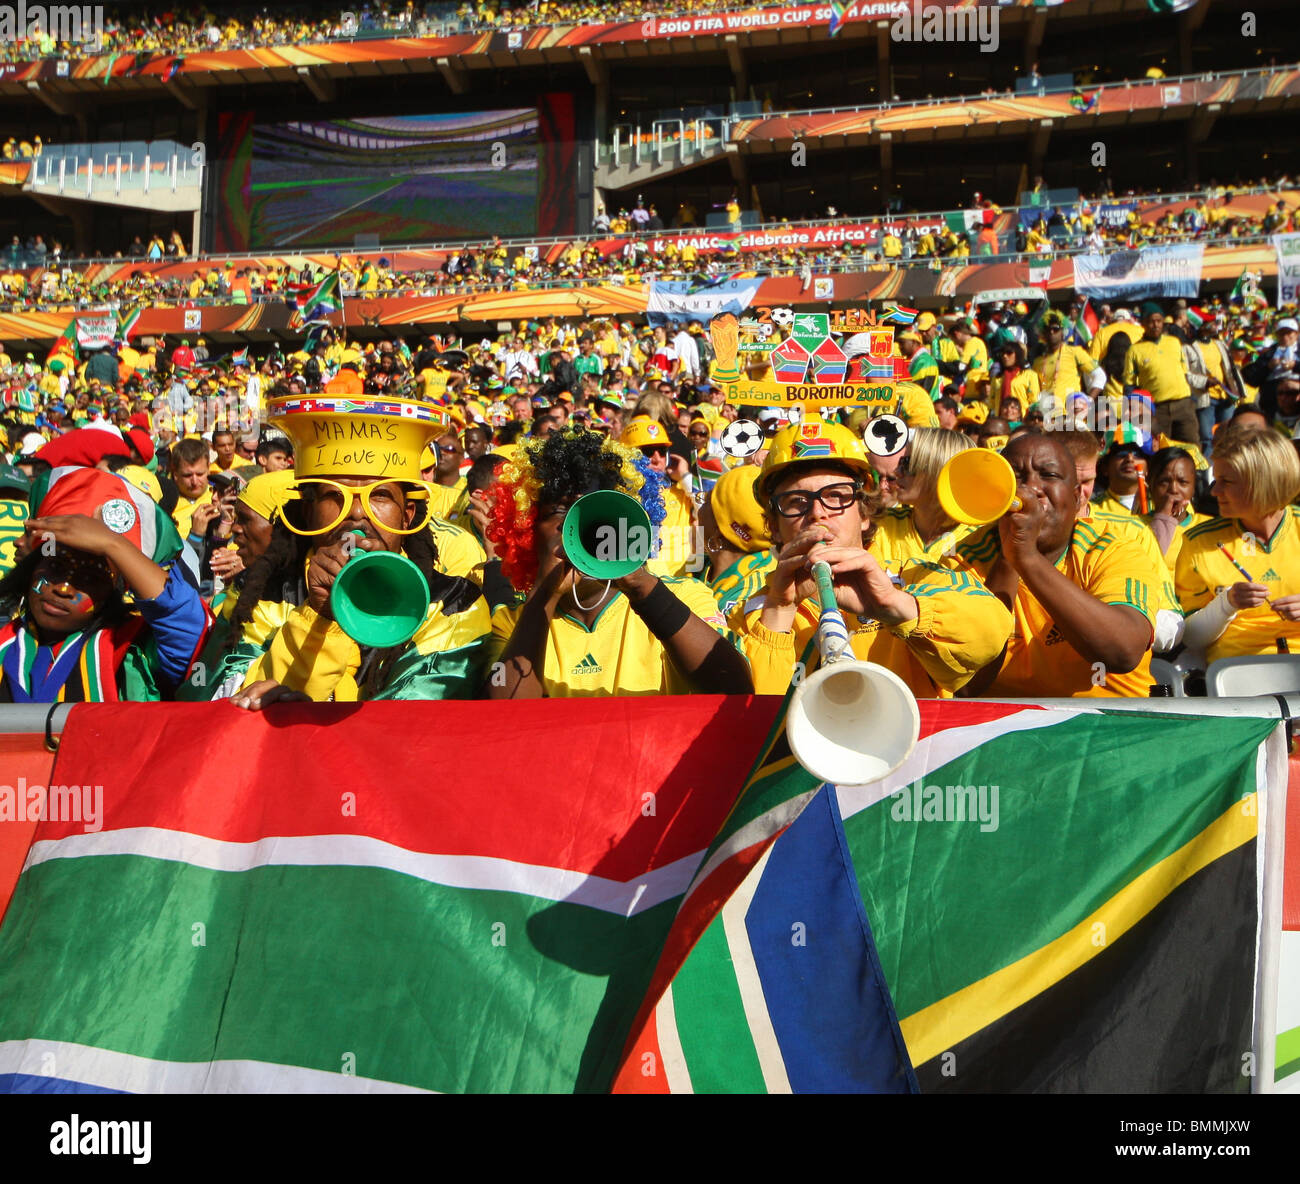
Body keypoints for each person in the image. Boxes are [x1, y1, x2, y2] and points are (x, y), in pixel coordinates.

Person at [229, 395, 492, 707]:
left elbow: (411, 727)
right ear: (309, 510)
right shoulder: (258, 595)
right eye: (334, 495)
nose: (356, 513)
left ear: (407, 513)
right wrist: (318, 618)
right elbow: (217, 701)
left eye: (379, 495)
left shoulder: (453, 606)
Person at [729, 418, 1012, 698]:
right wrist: (780, 610)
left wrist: (894, 603)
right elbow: (755, 722)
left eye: (836, 496)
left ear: (864, 513)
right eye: (796, 502)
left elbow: (992, 636)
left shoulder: (915, 576)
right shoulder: (748, 611)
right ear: (775, 527)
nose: (817, 513)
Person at [483, 428, 751, 698]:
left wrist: (639, 585)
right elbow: (502, 716)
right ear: (527, 529)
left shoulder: (685, 596)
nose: (574, 524)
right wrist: (544, 596)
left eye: (594, 508)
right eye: (560, 510)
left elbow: (735, 686)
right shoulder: (511, 620)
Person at [957, 434, 1161, 698]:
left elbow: (1123, 652)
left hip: (1113, 725)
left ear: (1077, 498)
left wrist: (1027, 558)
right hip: (1006, 730)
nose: (1031, 489)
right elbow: (966, 685)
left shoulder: (1112, 549)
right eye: (1016, 477)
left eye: (1049, 475)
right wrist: (1010, 559)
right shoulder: (965, 558)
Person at [0, 467, 208, 702]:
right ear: (32, 568)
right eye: (56, 567)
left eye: (90, 579)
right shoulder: (4, 643)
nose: (63, 589)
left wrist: (113, 544)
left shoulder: (131, 649)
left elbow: (188, 631)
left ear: (112, 592)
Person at [1175, 427, 1300, 664]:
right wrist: (1227, 603)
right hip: (1237, 673)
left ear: (1263, 483)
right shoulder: (1199, 542)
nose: (1214, 491)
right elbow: (1191, 637)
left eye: (1226, 481)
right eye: (1215, 480)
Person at [870, 428, 978, 575]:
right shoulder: (879, 524)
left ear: (937, 470)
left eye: (907, 464)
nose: (897, 472)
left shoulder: (979, 537)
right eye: (899, 463)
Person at [697, 464, 776, 617]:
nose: (698, 509)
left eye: (707, 500)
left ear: (720, 530)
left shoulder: (751, 599)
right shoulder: (701, 565)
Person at [1124, 302, 1197, 445]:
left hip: (1183, 404)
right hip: (1158, 409)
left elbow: (1185, 372)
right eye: (1151, 321)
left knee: (1192, 445)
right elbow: (1129, 385)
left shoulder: (1175, 342)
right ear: (1143, 323)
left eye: (1159, 321)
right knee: (1162, 448)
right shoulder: (1134, 350)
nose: (1155, 325)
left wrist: (1192, 399)